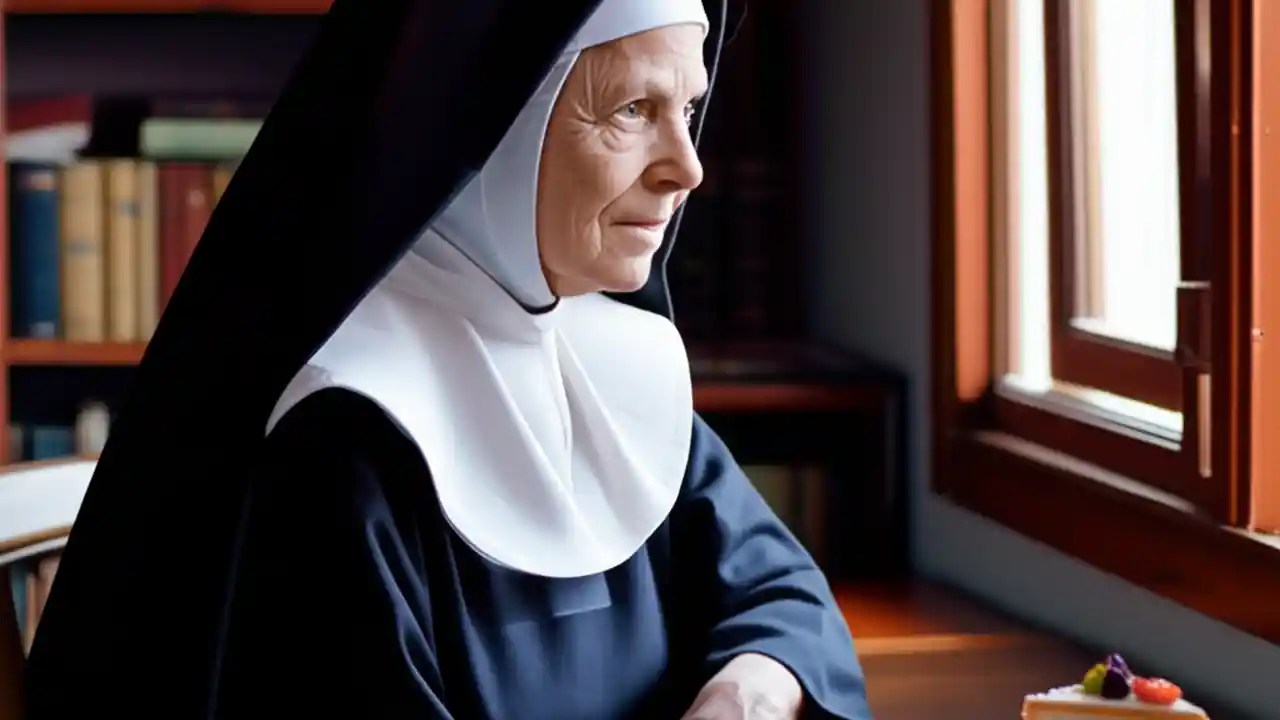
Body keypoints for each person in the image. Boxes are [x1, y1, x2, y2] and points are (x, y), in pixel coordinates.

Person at [23, 1, 872, 718]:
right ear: (496, 130)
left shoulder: (611, 367)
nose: (686, 169)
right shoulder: (346, 447)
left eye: (688, 109)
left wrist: (751, 689)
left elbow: (782, 596)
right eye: (630, 111)